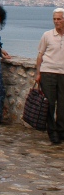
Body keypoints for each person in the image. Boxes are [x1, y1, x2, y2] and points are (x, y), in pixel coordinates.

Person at [35, 8, 64, 145]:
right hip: (48, 73)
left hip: (63, 74)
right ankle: (52, 132)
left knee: (62, 105)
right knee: (50, 104)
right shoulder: (47, 35)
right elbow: (40, 55)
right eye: (55, 19)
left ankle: (61, 130)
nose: (56, 21)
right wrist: (38, 73)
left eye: (59, 19)